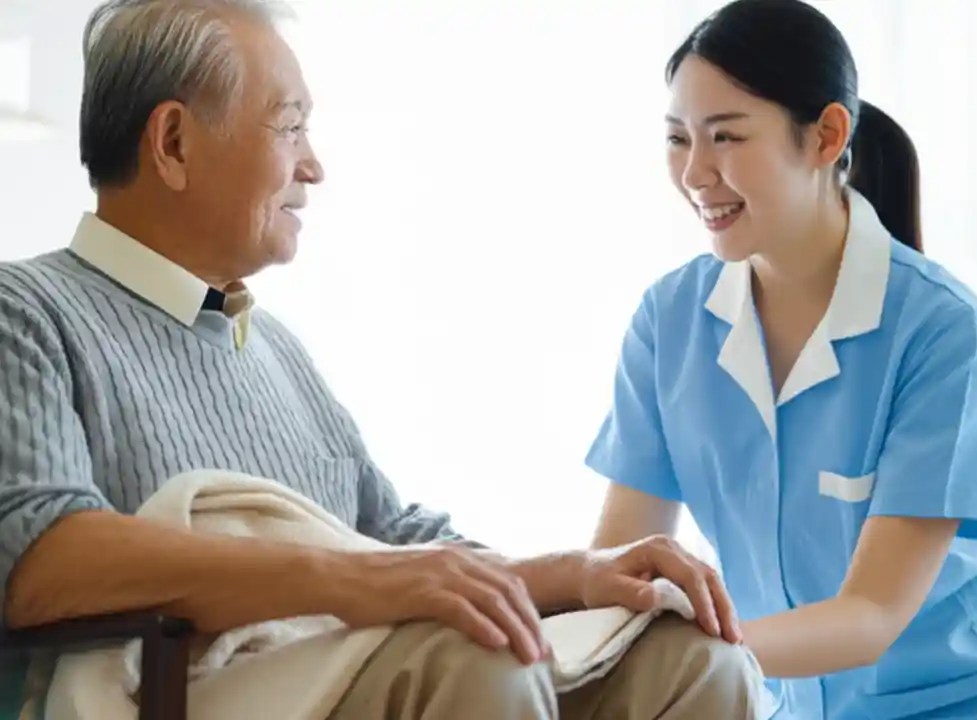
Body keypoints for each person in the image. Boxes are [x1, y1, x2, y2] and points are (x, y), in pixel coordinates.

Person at [0, 2, 766, 718]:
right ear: (172, 143)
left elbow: (392, 539)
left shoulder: (274, 350)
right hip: (178, 688)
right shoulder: (26, 313)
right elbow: (34, 554)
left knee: (695, 658)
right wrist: (344, 579)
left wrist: (578, 573)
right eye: (289, 127)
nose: (313, 167)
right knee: (480, 662)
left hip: (337, 672)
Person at [585, 0, 977, 717]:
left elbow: (871, 614)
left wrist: (687, 649)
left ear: (826, 136)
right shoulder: (669, 324)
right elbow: (620, 561)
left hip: (970, 701)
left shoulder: (944, 333)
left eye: (726, 137)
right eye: (676, 139)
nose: (694, 172)